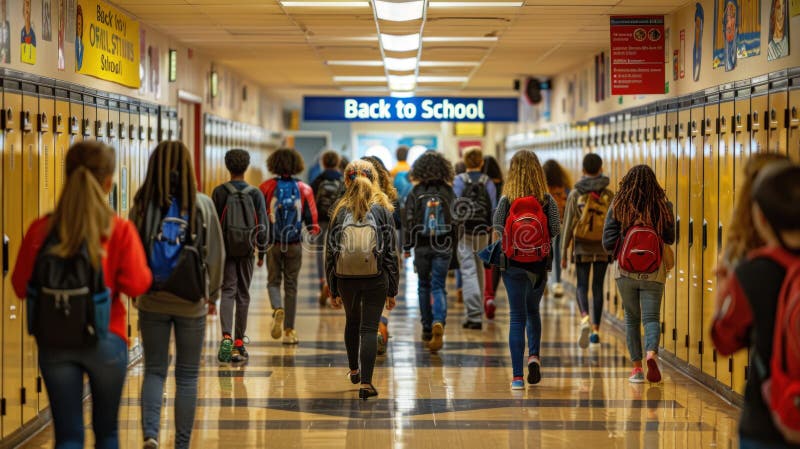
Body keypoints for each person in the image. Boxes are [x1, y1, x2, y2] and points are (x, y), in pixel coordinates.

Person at [12, 141, 152, 449]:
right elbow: (138, 285)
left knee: (69, 436)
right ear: (108, 182)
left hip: (55, 340)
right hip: (107, 339)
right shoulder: (118, 230)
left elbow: (20, 286)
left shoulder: (41, 229)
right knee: (107, 433)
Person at [131, 141, 225, 449]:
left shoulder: (142, 204)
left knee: (155, 370)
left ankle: (150, 435)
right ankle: (182, 443)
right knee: (187, 375)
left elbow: (133, 252)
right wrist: (211, 295)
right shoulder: (201, 204)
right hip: (190, 301)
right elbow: (215, 255)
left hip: (151, 298)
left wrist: (136, 291)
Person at [711, 161, 800, 449]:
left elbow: (723, 340)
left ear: (760, 217)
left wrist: (721, 293)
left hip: (768, 422)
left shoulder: (751, 272)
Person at [326, 160, 399, 400]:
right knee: (369, 327)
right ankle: (366, 384)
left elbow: (331, 251)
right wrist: (392, 290)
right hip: (376, 276)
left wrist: (332, 287)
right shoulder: (382, 209)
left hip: (345, 277)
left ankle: (354, 370)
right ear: (374, 180)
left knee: (352, 322)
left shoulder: (339, 209)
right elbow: (390, 252)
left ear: (346, 180)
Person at [493, 150, 561, 390]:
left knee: (516, 316)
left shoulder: (507, 199)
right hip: (539, 265)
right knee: (533, 311)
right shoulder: (546, 199)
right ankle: (534, 356)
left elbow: (498, 226)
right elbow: (554, 229)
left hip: (512, 264)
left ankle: (517, 377)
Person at [602, 165, 675, 384]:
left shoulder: (620, 204)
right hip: (654, 270)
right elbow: (670, 238)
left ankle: (636, 369)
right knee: (651, 317)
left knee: (632, 320)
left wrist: (625, 241)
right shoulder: (663, 205)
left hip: (625, 270)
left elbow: (607, 242)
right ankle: (651, 353)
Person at [212, 149, 268, 364]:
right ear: (246, 167)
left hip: (225, 249)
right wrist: (261, 252)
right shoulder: (255, 194)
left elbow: (214, 224)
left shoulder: (219, 192)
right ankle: (238, 343)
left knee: (227, 291)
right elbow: (262, 224)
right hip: (247, 250)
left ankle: (225, 335)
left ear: (228, 166)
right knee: (243, 294)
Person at [260, 148, 319, 345]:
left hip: (273, 243)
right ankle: (290, 331)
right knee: (291, 286)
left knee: (273, 282)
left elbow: (259, 217)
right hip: (294, 244)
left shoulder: (266, 187)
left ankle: (277, 308)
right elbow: (312, 221)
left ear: (273, 164)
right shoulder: (304, 188)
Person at [403, 151, 457, 352]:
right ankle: (439, 321)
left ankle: (427, 328)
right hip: (443, 243)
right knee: (439, 286)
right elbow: (456, 219)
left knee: (423, 285)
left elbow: (409, 220)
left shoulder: (415, 191)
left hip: (422, 244)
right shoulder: (448, 191)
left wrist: (407, 246)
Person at [561, 154, 614, 347]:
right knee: (598, 287)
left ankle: (584, 318)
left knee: (581, 286)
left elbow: (568, 225)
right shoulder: (608, 194)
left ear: (583, 170)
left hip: (582, 246)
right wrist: (615, 248)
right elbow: (615, 224)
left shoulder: (576, 193)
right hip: (602, 247)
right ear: (601, 168)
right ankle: (596, 330)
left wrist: (563, 253)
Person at [454, 147, 497, 330]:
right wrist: (493, 231)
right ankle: (477, 310)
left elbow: (454, 206)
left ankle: (473, 316)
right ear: (481, 162)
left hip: (464, 231)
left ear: (465, 161)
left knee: (468, 270)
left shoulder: (459, 180)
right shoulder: (488, 181)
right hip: (483, 231)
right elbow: (494, 208)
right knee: (479, 268)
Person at [362, 155, 401, 355]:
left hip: (357, 256)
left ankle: (370, 332)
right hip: (382, 258)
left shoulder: (351, 196)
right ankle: (381, 325)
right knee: (380, 295)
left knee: (362, 301)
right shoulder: (386, 198)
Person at [310, 150, 344, 306]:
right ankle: (336, 285)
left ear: (323, 163)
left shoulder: (317, 180)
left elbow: (310, 203)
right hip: (338, 221)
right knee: (337, 252)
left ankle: (322, 283)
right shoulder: (343, 180)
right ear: (337, 162)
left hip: (320, 221)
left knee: (319, 251)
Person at [542, 159, 572, 299]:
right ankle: (557, 282)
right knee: (558, 251)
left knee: (544, 252)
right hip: (560, 221)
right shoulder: (564, 185)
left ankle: (544, 282)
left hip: (543, 222)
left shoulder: (542, 186)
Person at [482, 155, 504, 318]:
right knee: (496, 261)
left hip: (482, 227)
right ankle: (491, 296)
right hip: (499, 228)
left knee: (484, 263)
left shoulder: (482, 184)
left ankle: (486, 295)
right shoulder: (503, 185)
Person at [20, 0, 36, 64]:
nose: (27, 12)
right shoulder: (22, 32)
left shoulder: (32, 34)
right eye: (25, 10)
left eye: (28, 10)